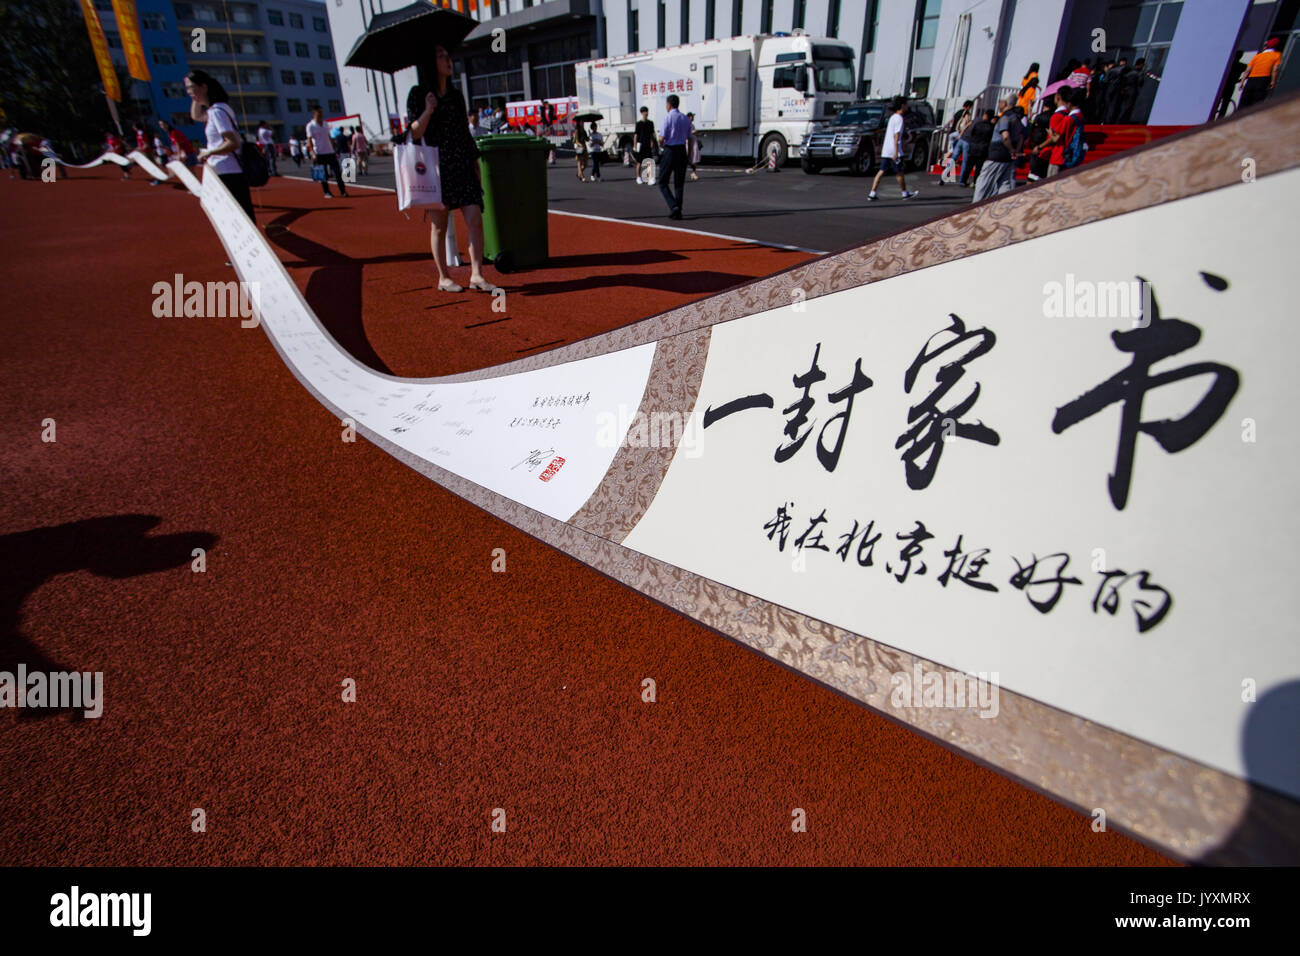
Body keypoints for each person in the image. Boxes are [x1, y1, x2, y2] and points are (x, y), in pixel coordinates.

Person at [405, 43, 500, 294]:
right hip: (437, 167)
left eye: (448, 55)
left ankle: (477, 274)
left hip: (461, 163)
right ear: (430, 63)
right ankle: (443, 277)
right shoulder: (418, 94)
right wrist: (428, 110)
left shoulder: (456, 96)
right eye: (441, 56)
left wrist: (474, 161)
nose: (448, 60)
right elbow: (414, 133)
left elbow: (463, 132)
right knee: (439, 225)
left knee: (475, 218)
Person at [185, 69, 255, 220]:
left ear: (203, 87)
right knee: (232, 217)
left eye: (191, 87)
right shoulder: (214, 110)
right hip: (223, 170)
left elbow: (233, 143)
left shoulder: (217, 111)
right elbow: (196, 116)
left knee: (239, 218)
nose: (188, 91)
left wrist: (209, 152)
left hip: (229, 172)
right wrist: (195, 97)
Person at [868, 98, 919, 200]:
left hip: (886, 150)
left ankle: (872, 193)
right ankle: (904, 193)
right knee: (899, 172)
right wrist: (896, 152)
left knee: (882, 171)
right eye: (906, 104)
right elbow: (896, 135)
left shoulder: (892, 117)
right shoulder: (899, 118)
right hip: (893, 150)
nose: (907, 106)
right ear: (902, 105)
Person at [973, 99, 1023, 202]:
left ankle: (976, 205)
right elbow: (1021, 137)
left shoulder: (1005, 117)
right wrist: (1015, 151)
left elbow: (1005, 136)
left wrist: (1011, 149)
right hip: (1007, 157)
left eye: (1000, 102)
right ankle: (1005, 204)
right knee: (1005, 183)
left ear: (1004, 103)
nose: (999, 104)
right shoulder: (1016, 119)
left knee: (984, 182)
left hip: (997, 154)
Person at [657, 93, 690, 219]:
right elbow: (689, 137)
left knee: (662, 181)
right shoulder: (685, 118)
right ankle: (678, 210)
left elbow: (661, 137)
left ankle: (673, 206)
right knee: (679, 182)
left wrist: (661, 145)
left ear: (669, 104)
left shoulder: (668, 117)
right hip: (681, 150)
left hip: (670, 150)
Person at [305, 107, 348, 198]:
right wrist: (313, 153)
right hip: (319, 153)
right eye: (319, 112)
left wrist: (334, 149)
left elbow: (329, 137)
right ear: (314, 113)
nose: (321, 114)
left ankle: (343, 191)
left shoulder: (325, 123)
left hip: (330, 152)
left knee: (337, 172)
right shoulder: (310, 126)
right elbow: (309, 140)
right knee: (323, 174)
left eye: (321, 112)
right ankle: (327, 192)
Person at [1038, 88, 1076, 177]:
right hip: (1065, 155)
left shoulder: (1057, 116)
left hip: (1056, 155)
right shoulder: (1069, 115)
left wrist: (1040, 147)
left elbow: (1055, 138)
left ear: (1058, 97)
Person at [1239, 37, 1283, 110]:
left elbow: (1247, 70)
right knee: (1257, 102)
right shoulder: (1277, 55)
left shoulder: (1257, 56)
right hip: (1263, 79)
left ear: (1266, 46)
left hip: (1251, 79)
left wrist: (1242, 82)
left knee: (1244, 101)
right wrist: (1273, 82)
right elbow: (1275, 70)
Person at [957, 108, 993, 188]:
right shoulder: (991, 127)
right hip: (983, 148)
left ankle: (963, 181)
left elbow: (971, 133)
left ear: (985, 115)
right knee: (979, 167)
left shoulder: (978, 124)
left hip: (973, 146)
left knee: (969, 165)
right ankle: (975, 182)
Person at [942, 99, 973, 183]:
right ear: (969, 106)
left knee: (952, 150)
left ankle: (946, 163)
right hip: (958, 133)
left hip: (952, 132)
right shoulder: (966, 113)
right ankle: (945, 163)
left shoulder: (958, 112)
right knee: (954, 151)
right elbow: (967, 122)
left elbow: (953, 121)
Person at [634, 105, 656, 185]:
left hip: (647, 144)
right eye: (644, 112)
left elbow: (652, 134)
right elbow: (636, 135)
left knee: (649, 161)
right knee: (639, 162)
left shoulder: (650, 123)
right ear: (641, 113)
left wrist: (652, 142)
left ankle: (650, 178)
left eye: (647, 111)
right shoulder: (638, 123)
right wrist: (635, 145)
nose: (646, 113)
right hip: (640, 144)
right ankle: (638, 177)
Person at [686, 112, 701, 180]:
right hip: (689, 144)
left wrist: (700, 134)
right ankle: (693, 173)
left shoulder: (692, 125)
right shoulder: (686, 124)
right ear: (689, 117)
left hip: (693, 143)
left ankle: (693, 173)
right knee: (689, 159)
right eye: (692, 116)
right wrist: (693, 132)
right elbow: (687, 133)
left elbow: (693, 133)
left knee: (694, 159)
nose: (693, 118)